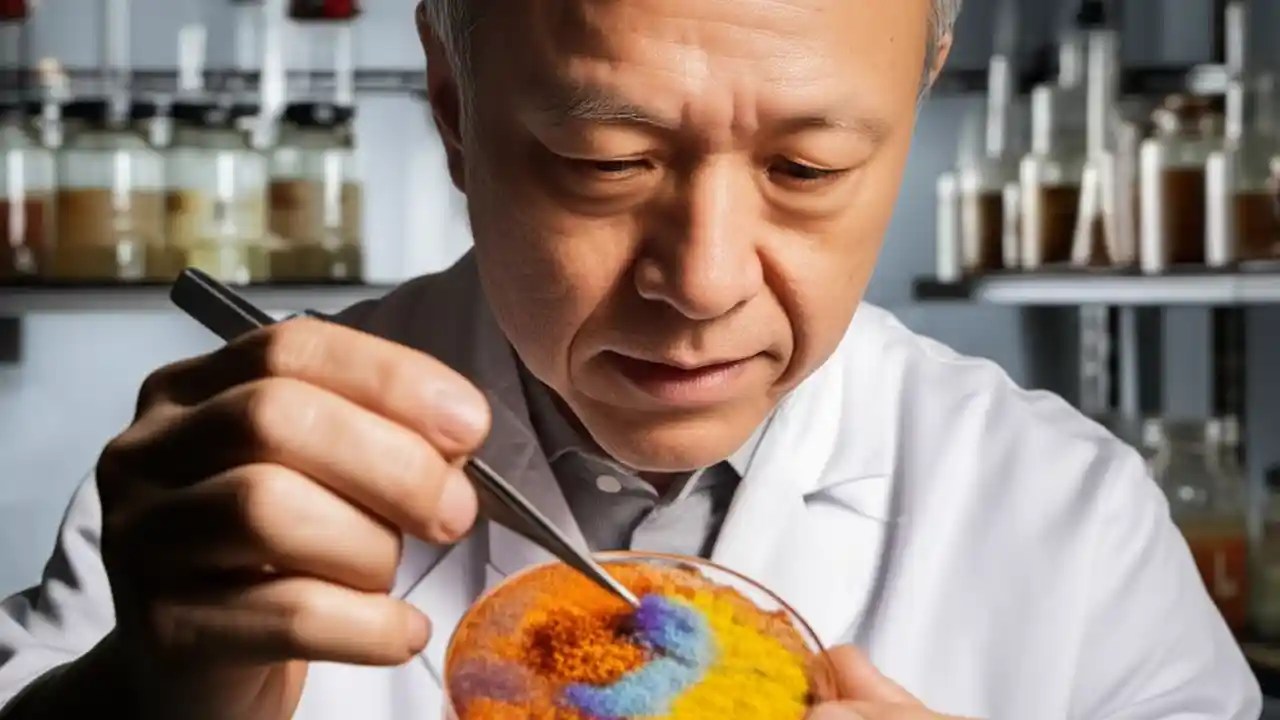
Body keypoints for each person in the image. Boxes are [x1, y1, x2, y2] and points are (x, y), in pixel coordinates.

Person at [0, 0, 1262, 718]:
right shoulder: (236, 485)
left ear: (916, 98)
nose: (702, 282)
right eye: (607, 164)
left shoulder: (1066, 514)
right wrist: (140, 706)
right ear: (450, 102)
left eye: (807, 168)